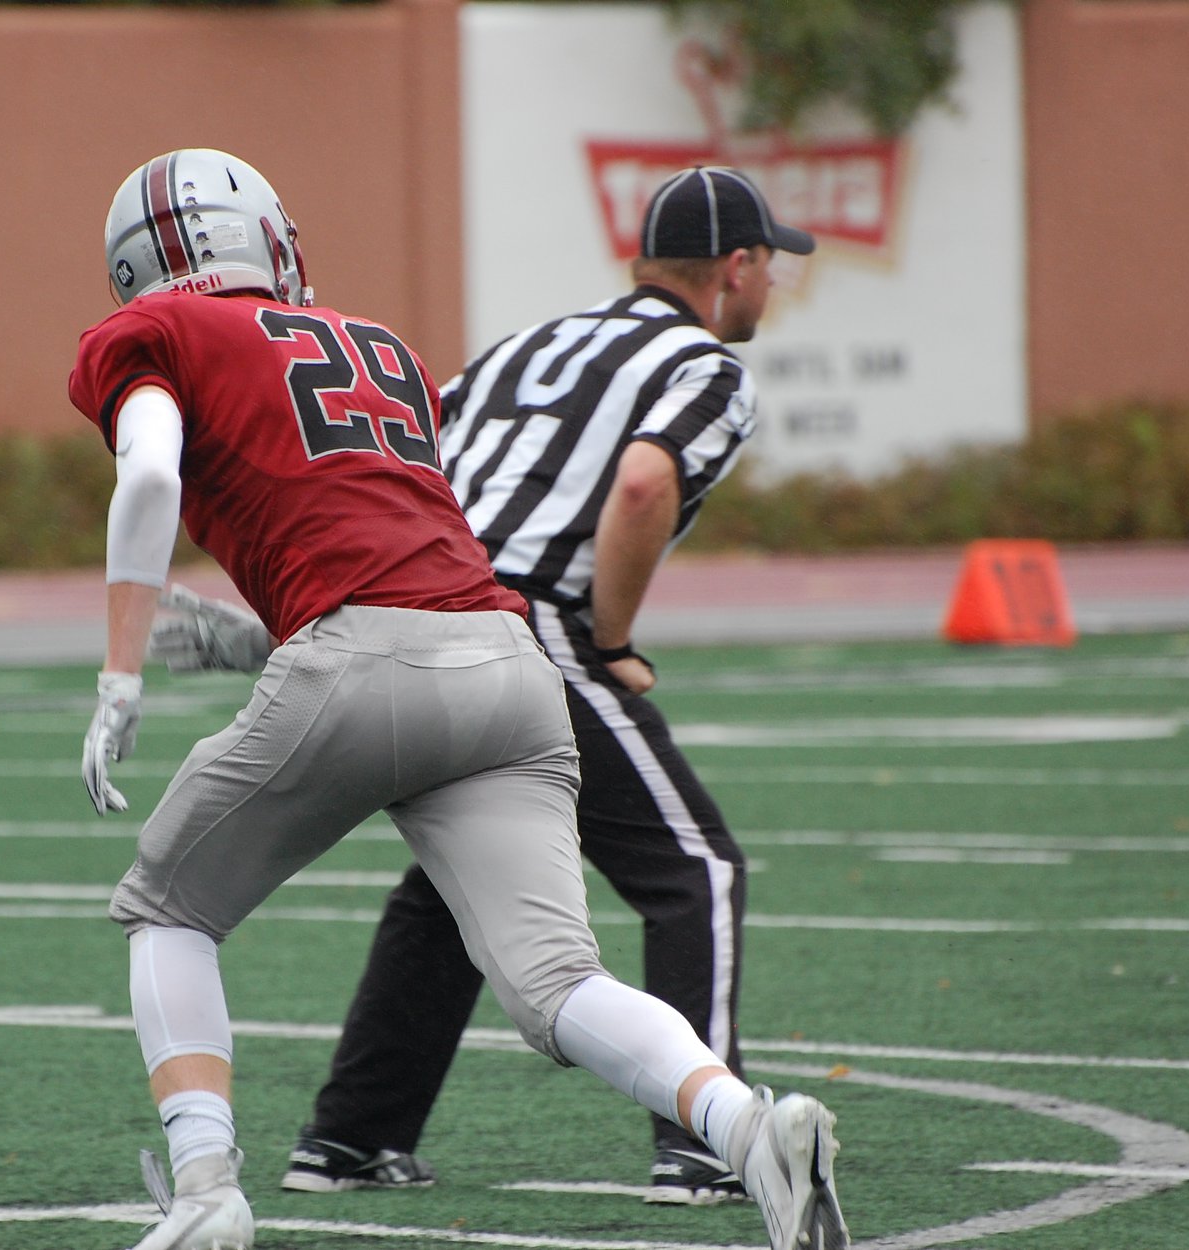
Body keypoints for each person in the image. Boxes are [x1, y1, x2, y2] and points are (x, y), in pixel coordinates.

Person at [68, 148, 847, 1250]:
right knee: (558, 982)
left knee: (170, 910)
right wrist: (267, 634)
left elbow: (151, 475)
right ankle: (745, 1127)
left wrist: (121, 669)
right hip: (508, 667)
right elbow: (394, 538)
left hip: (363, 661)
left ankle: (204, 1192)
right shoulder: (374, 344)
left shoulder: (155, 332)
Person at [274, 165, 814, 1208]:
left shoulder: (524, 345)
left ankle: (349, 1137)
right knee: (694, 869)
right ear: (736, 267)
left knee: (457, 884)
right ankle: (703, 1143)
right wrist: (609, 638)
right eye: (768, 268)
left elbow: (394, 461)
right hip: (519, 625)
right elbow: (644, 481)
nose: (769, 287)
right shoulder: (705, 366)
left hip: (405, 617)